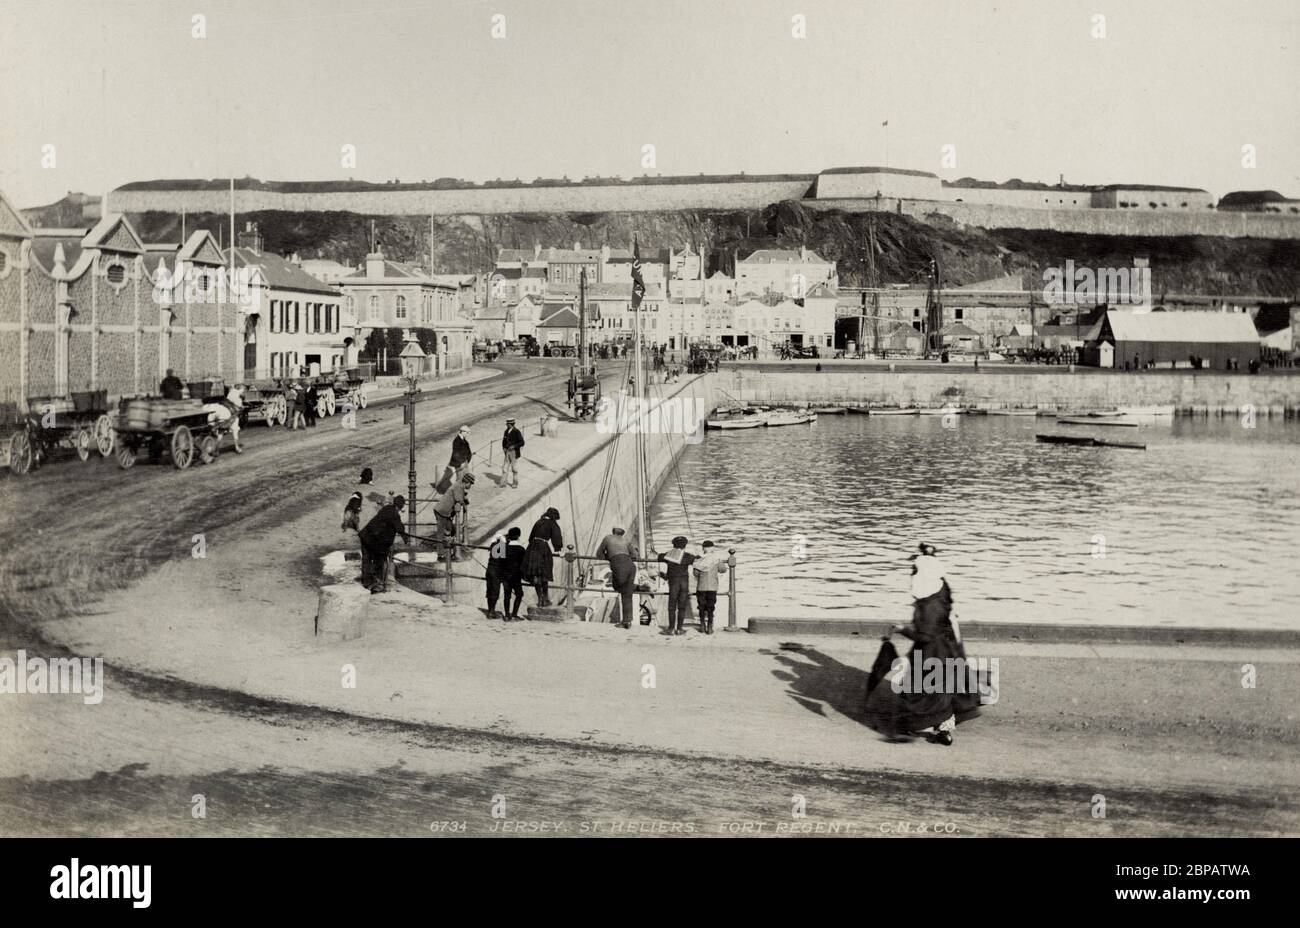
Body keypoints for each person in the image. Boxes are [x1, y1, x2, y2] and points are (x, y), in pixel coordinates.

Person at [862, 543, 984, 745]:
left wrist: (902, 629)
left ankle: (913, 727)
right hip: (948, 647)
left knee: (923, 691)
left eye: (914, 571)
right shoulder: (940, 588)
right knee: (944, 690)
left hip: (930, 652)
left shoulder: (928, 605)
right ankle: (944, 731)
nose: (912, 575)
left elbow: (925, 636)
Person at [358, 495, 410, 594]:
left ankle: (367, 582)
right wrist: (406, 539)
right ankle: (378, 585)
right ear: (402, 506)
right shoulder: (395, 515)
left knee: (366, 560)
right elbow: (400, 529)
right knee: (379, 561)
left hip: (365, 535)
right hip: (374, 540)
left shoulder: (387, 508)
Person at [595, 526, 638, 628]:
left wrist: (611, 556)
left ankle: (636, 587)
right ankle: (627, 621)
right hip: (631, 566)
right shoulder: (625, 540)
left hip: (619, 565)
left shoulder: (607, 538)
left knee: (618, 588)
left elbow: (599, 554)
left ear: (613, 532)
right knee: (627, 594)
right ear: (622, 534)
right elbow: (635, 555)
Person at [656, 535, 696, 636]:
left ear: (674, 545)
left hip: (673, 583)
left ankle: (671, 628)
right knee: (682, 606)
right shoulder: (688, 556)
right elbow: (696, 559)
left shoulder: (669, 555)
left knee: (672, 606)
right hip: (684, 583)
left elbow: (659, 556)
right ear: (685, 546)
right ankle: (679, 629)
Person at [523, 507, 563, 607]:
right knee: (544, 573)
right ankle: (545, 599)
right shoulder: (552, 523)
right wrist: (558, 550)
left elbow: (530, 537)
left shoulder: (539, 521)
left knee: (535, 574)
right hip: (543, 548)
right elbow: (556, 536)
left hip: (532, 548)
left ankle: (540, 599)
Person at [432, 472, 474, 558]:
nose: (470, 486)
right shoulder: (458, 486)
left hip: (445, 512)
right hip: (441, 511)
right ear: (466, 482)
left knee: (451, 529)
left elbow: (460, 496)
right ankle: (441, 553)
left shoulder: (459, 485)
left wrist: (464, 498)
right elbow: (458, 498)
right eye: (470, 484)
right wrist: (464, 501)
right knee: (441, 532)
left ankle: (451, 549)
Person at [692, 540, 728, 634]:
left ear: (703, 548)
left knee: (701, 606)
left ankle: (702, 625)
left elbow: (695, 574)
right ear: (713, 548)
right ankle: (710, 626)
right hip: (712, 587)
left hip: (701, 587)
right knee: (711, 606)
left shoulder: (699, 559)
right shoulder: (716, 558)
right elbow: (723, 570)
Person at [502, 527, 526, 620]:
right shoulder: (521, 549)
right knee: (519, 594)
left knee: (507, 594)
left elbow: (501, 561)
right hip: (516, 575)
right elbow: (523, 564)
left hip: (505, 574)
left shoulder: (504, 548)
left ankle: (507, 615)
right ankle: (514, 614)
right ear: (518, 536)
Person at [501, 417, 525, 489]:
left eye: (507, 424)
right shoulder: (506, 431)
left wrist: (514, 446)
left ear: (511, 424)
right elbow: (504, 441)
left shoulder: (517, 431)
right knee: (504, 468)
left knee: (514, 469)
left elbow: (522, 442)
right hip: (507, 452)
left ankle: (515, 483)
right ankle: (503, 483)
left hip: (514, 453)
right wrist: (504, 448)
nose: (506, 425)